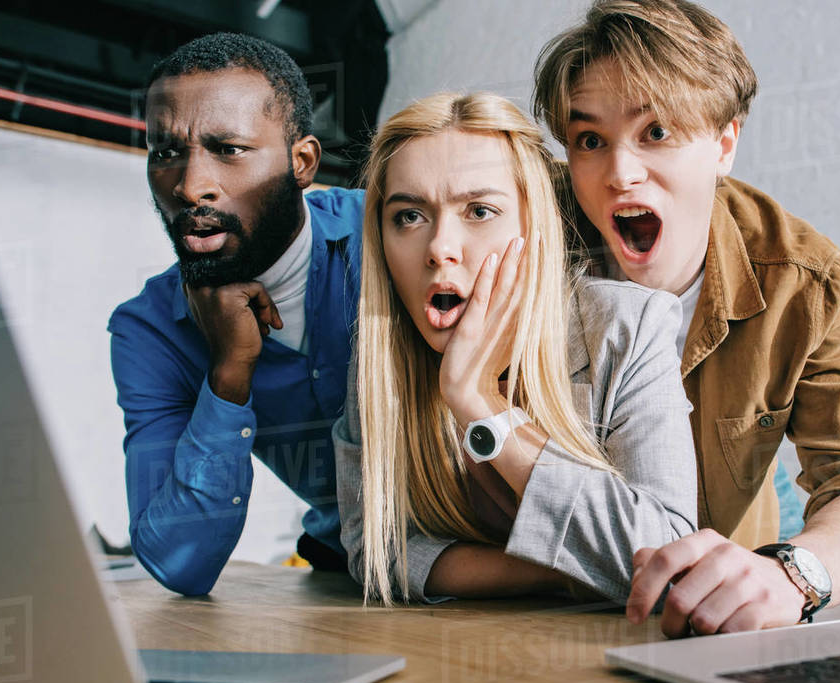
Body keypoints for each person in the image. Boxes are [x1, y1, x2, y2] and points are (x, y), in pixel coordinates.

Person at [533, 0, 840, 634]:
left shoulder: (805, 286)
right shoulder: (528, 230)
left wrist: (791, 576)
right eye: (589, 141)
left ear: (724, 143)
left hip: (696, 629)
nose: (619, 174)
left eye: (656, 132)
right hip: (532, 619)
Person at [329, 92, 697, 605]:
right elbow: (377, 552)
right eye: (409, 217)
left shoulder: (628, 327)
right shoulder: (382, 351)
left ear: (535, 224)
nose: (439, 248)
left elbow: (665, 558)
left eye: (479, 211)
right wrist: (567, 569)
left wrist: (482, 405)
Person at [108, 33, 363, 596]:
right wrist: (227, 376)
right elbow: (178, 562)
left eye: (230, 149)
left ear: (302, 162)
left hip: (494, 558)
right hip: (342, 573)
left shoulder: (391, 240)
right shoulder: (150, 331)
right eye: (166, 152)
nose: (191, 185)